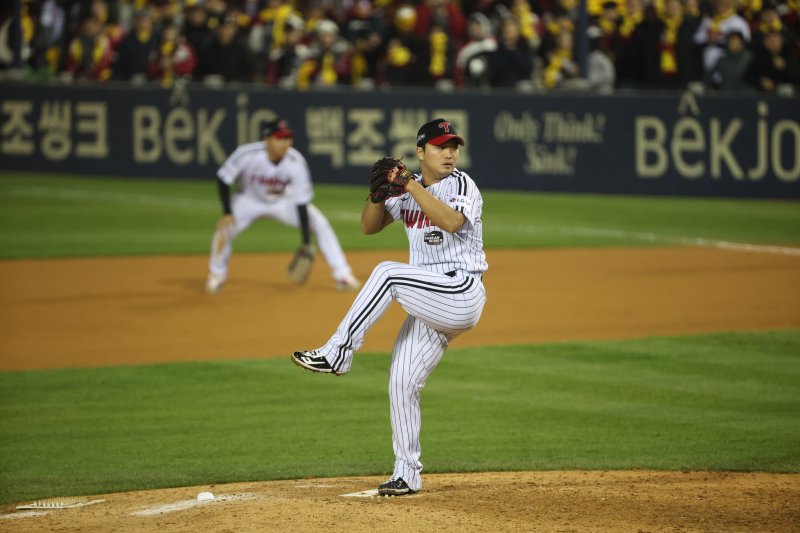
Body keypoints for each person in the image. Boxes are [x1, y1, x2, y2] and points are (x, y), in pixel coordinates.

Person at [292, 118, 488, 496]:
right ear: (421, 152)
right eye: (440, 146)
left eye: (453, 146)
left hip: (460, 291)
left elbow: (451, 221)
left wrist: (410, 184)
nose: (449, 153)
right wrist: (378, 193)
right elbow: (369, 226)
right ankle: (406, 473)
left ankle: (338, 352)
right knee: (401, 381)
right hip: (429, 301)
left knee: (387, 273)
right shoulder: (406, 191)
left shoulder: (461, 184)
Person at [205, 117, 361, 294]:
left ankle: (342, 275)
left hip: (283, 202)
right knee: (224, 228)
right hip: (248, 199)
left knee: (320, 223)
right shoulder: (246, 154)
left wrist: (305, 241)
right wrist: (227, 212)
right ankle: (217, 276)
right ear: (267, 139)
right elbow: (223, 179)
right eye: (280, 138)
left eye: (288, 138)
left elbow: (302, 202)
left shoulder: (295, 161)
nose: (285, 143)